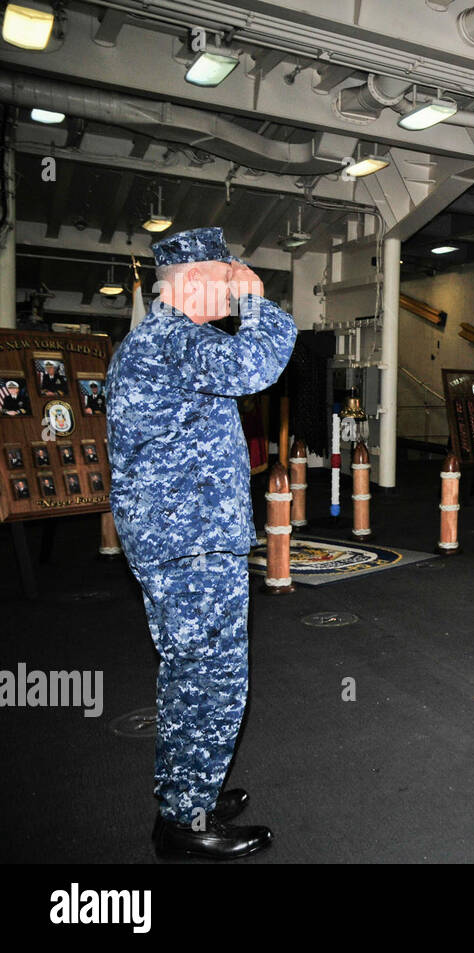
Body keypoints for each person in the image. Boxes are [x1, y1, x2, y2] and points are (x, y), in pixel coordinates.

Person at [107, 227, 296, 860]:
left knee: (190, 674)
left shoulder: (164, 340)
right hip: (186, 544)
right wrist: (259, 304)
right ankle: (186, 824)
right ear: (193, 282)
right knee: (209, 678)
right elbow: (257, 363)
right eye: (226, 272)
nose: (236, 278)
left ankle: (190, 793)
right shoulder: (171, 340)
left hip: (184, 539)